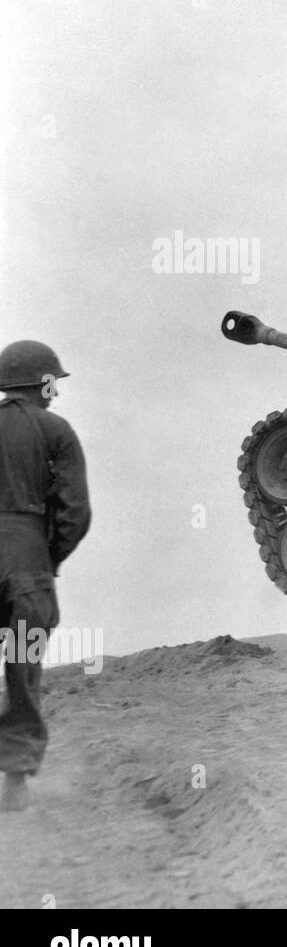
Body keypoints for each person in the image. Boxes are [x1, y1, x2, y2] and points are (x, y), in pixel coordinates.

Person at [0, 340, 90, 812]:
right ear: (44, 383)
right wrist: (45, 558)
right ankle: (14, 781)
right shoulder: (56, 430)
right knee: (22, 666)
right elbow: (76, 513)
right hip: (28, 560)